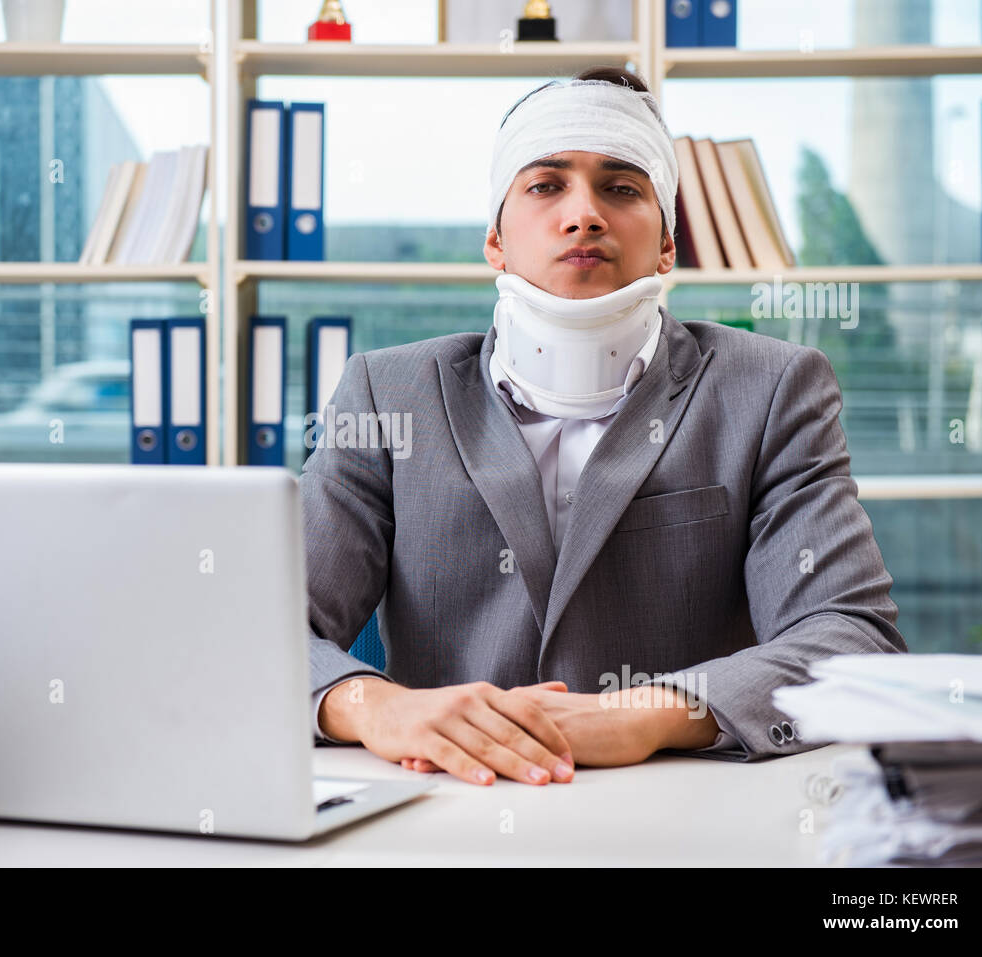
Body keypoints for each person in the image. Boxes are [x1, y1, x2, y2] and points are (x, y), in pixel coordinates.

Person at [301, 66, 906, 787]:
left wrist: (648, 713)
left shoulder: (770, 389)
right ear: (496, 240)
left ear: (668, 245)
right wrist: (375, 707)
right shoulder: (386, 392)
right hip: (441, 806)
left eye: (621, 188)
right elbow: (260, 629)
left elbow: (851, 639)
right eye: (545, 185)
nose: (583, 213)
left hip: (681, 815)